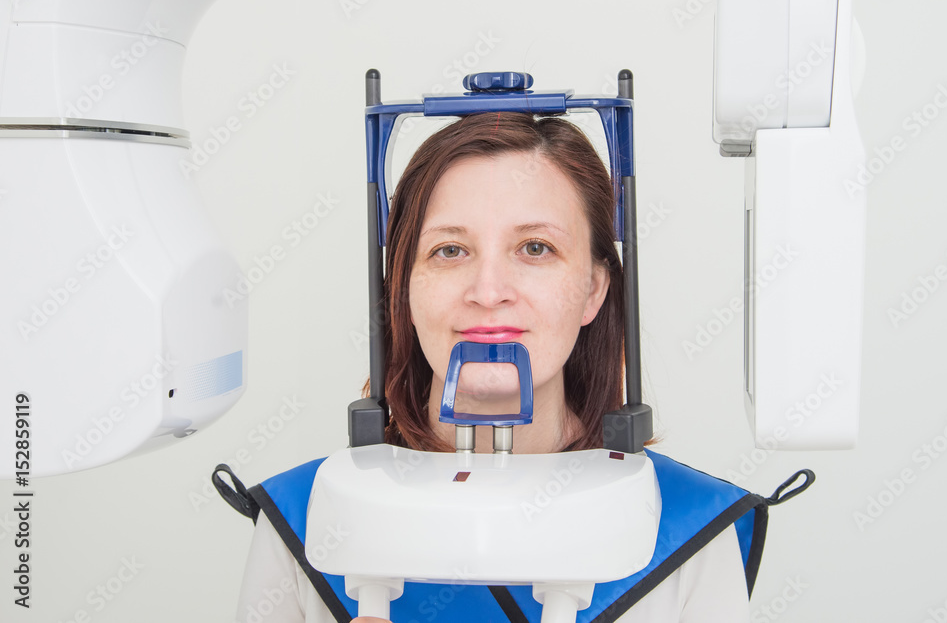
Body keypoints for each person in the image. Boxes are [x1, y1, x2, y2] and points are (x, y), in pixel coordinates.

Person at [221, 112, 766, 623]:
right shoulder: (309, 518)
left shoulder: (686, 532)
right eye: (450, 251)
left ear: (594, 290)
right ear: (404, 288)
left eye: (535, 247)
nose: (487, 292)